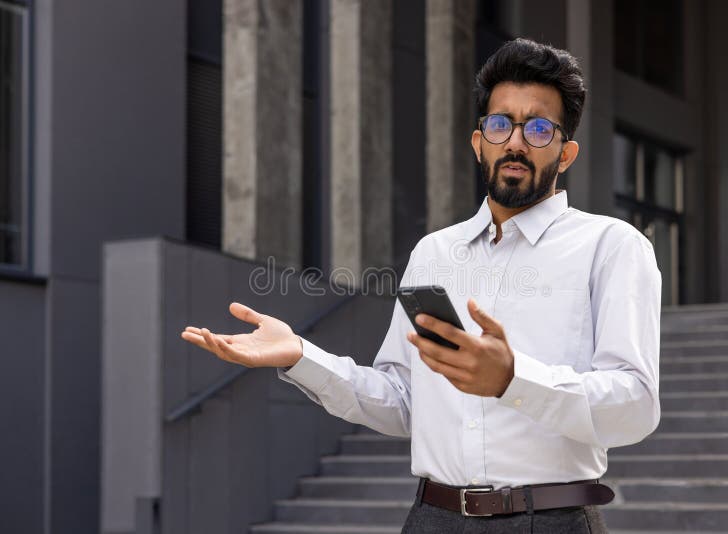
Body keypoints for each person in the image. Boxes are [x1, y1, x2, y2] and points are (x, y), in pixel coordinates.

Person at [181, 38, 661, 533]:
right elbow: (403, 400)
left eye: (539, 128)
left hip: (552, 522)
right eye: (501, 124)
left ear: (565, 153)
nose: (516, 142)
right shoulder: (435, 253)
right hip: (433, 519)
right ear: (479, 143)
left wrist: (512, 379)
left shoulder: (611, 245)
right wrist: (300, 355)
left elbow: (636, 406)